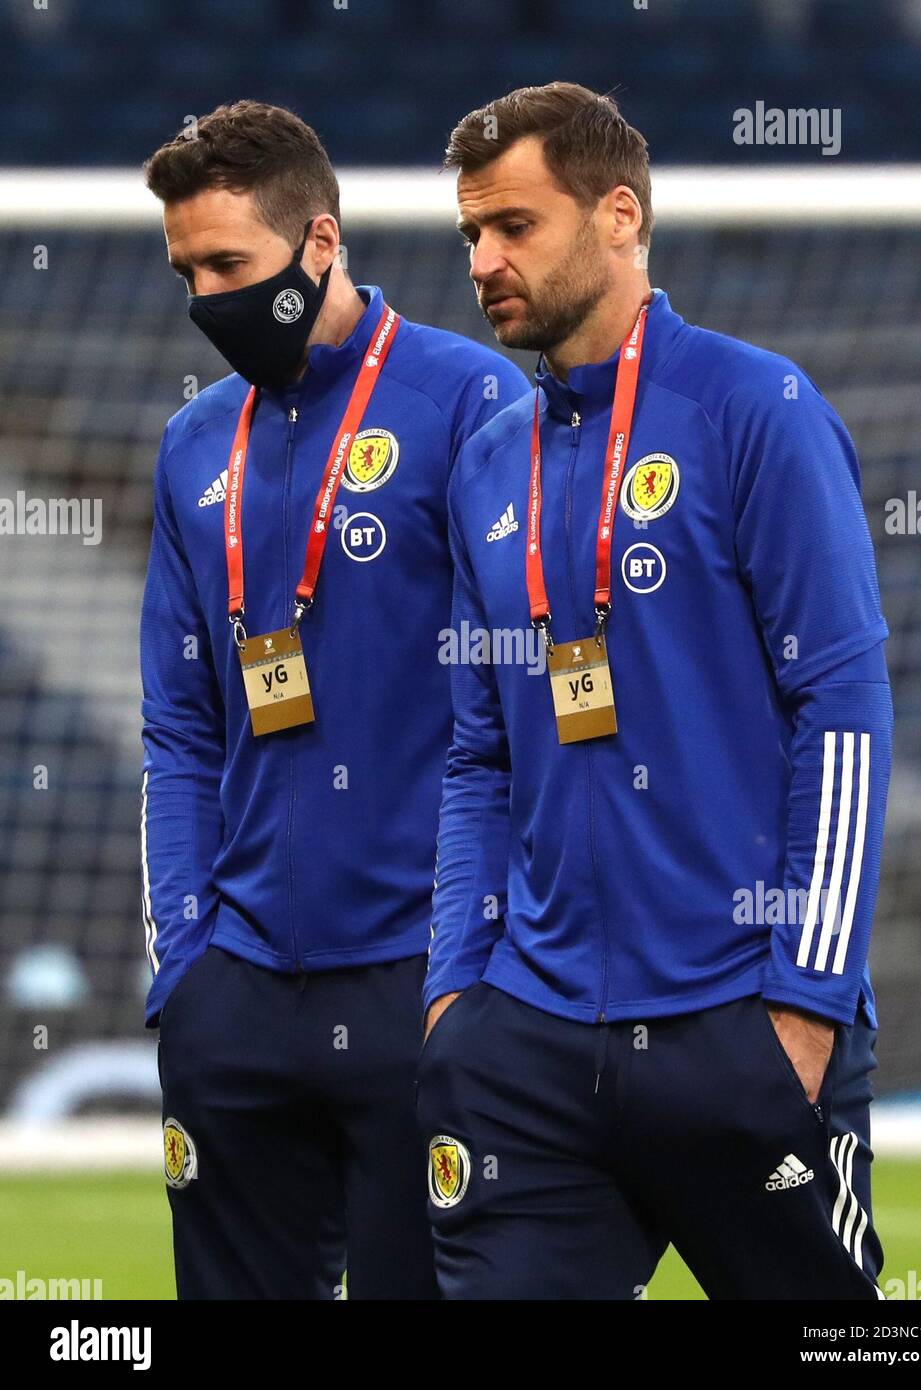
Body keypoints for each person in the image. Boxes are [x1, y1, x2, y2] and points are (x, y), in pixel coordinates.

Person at [418, 82, 892, 1300]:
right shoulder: (483, 463)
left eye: (512, 226)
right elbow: (479, 756)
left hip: (739, 1018)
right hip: (528, 1036)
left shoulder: (755, 412)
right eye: (470, 233)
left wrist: (799, 1007)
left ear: (618, 214)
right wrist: (454, 993)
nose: (482, 261)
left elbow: (842, 713)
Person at [139, 100, 529, 1299]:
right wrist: (187, 968)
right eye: (187, 273)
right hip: (239, 988)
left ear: (319, 242)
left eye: (229, 266)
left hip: (422, 978)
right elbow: (179, 723)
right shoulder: (194, 443)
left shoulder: (470, 405)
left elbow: (518, 707)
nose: (207, 299)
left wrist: (474, 969)